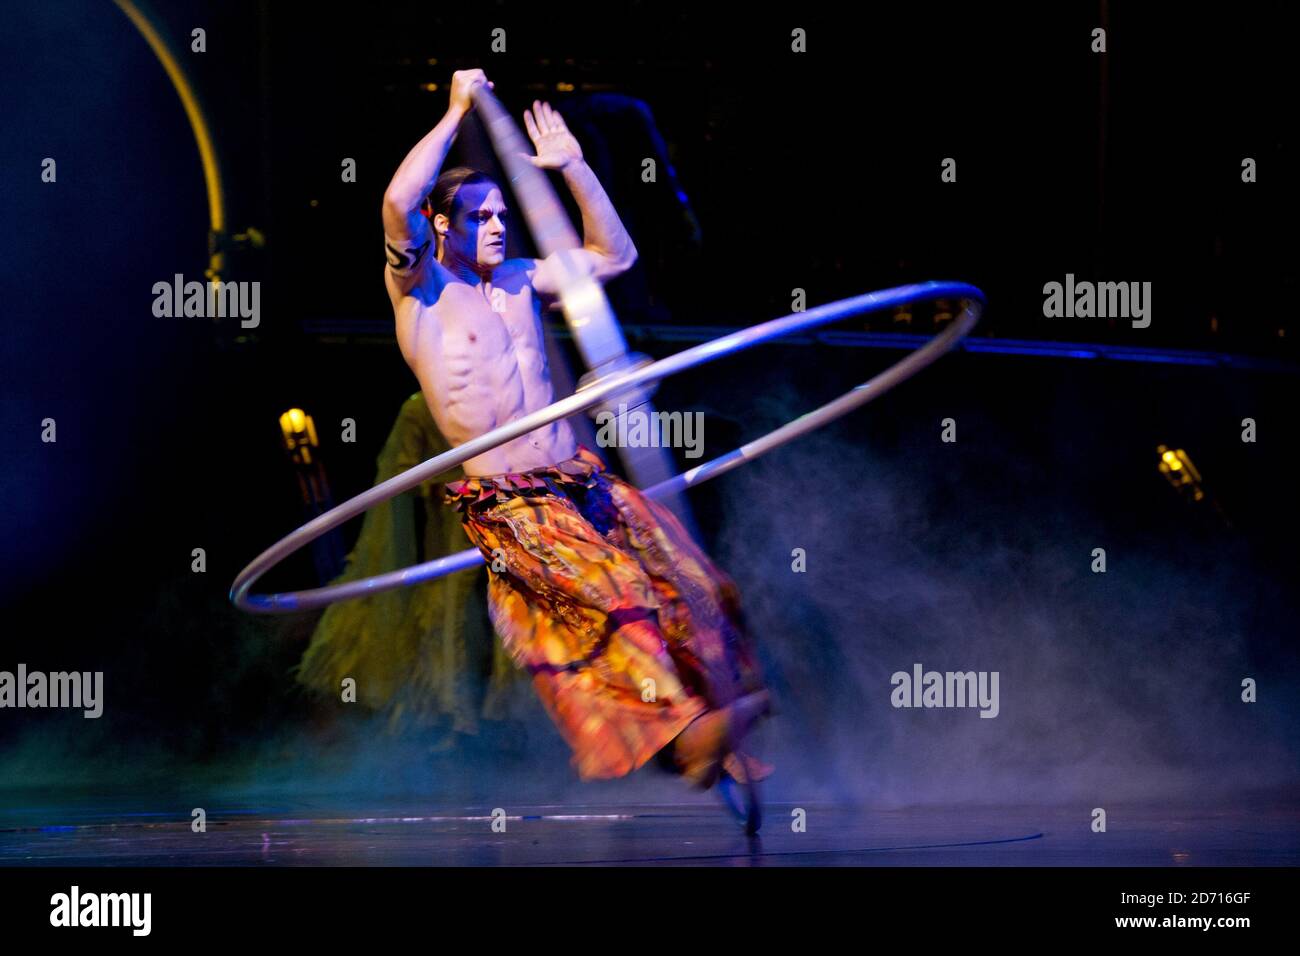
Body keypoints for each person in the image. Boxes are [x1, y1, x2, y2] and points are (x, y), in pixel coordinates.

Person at [380, 68, 771, 789]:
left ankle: (709, 727)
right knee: (616, 594)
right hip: (514, 504)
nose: (499, 227)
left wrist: (576, 169)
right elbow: (400, 199)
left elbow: (614, 258)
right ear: (443, 227)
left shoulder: (526, 277)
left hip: (581, 480)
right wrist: (456, 108)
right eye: (480, 217)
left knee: (694, 586)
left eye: (503, 214)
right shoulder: (422, 294)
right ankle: (685, 739)